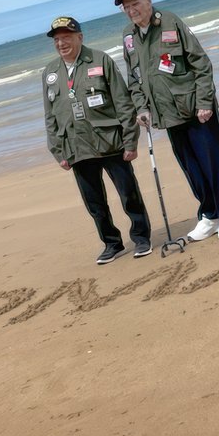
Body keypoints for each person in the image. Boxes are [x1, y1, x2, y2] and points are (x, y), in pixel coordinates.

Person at [115, 0, 219, 240]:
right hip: (167, 114)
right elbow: (134, 79)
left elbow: (201, 63)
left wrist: (204, 101)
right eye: (126, 7)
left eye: (135, 3)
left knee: (213, 163)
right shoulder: (128, 36)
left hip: (196, 109)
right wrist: (141, 107)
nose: (131, 10)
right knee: (191, 168)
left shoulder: (170, 22)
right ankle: (209, 215)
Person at [41, 16, 153, 264]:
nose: (61, 44)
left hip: (110, 142)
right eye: (57, 40)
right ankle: (112, 243)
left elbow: (123, 103)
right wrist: (58, 151)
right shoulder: (50, 73)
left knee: (129, 194)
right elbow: (50, 117)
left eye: (66, 37)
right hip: (76, 147)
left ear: (80, 37)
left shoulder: (101, 60)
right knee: (94, 203)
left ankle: (141, 238)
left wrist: (130, 141)